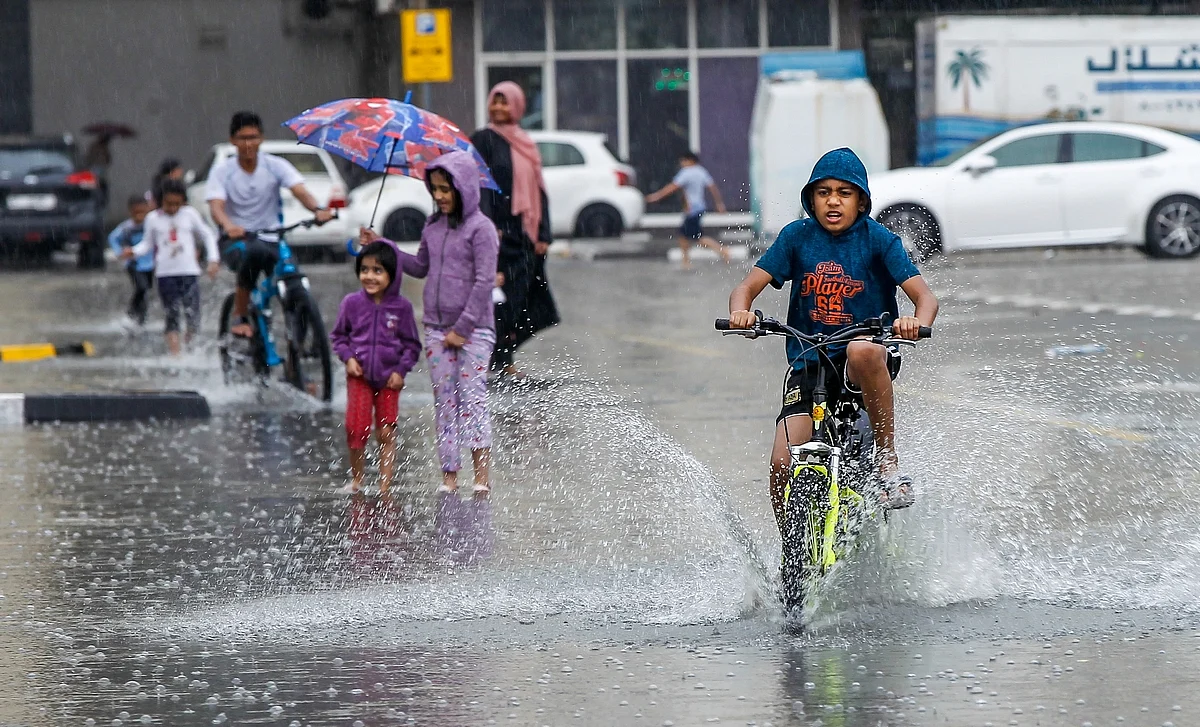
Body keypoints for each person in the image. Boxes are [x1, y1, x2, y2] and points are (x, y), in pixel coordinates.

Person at [725, 147, 939, 528]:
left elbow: (925, 298)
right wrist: (740, 312)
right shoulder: (796, 237)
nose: (833, 201)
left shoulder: (879, 240)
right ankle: (792, 554)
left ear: (861, 202)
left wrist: (913, 323)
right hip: (809, 362)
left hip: (864, 363)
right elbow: (746, 288)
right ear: (811, 199)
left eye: (844, 192)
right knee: (781, 464)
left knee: (861, 348)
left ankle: (886, 460)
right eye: (823, 193)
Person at [360, 150, 500, 497]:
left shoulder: (481, 229)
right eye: (434, 189)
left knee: (472, 399)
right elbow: (420, 266)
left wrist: (462, 329)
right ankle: (450, 474)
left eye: (446, 189)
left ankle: (481, 475)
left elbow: (484, 283)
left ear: (464, 189)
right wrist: (384, 246)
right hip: (437, 329)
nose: (439, 196)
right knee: (444, 402)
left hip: (474, 331)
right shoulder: (433, 226)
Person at [206, 111, 335, 338]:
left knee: (295, 281)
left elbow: (300, 192)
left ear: (262, 138)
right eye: (243, 138)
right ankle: (240, 315)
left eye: (254, 137)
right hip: (236, 240)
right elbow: (216, 207)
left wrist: (318, 210)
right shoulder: (222, 171)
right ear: (233, 141)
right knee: (254, 253)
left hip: (272, 238)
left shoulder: (275, 165)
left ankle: (301, 346)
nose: (249, 143)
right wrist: (228, 226)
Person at [471, 81, 559, 379]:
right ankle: (499, 360)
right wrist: (486, 225)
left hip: (525, 235)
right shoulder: (483, 140)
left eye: (504, 102)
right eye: (494, 101)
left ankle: (500, 353)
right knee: (501, 299)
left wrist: (543, 234)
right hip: (497, 233)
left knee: (533, 303)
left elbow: (539, 190)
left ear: (518, 106)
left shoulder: (525, 142)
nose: (498, 108)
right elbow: (478, 185)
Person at [329, 239, 422, 495]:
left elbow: (412, 345)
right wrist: (348, 358)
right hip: (358, 377)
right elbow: (338, 336)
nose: (370, 276)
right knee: (356, 428)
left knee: (386, 432)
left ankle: (384, 486)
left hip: (389, 379)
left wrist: (400, 371)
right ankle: (357, 480)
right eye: (365, 270)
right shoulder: (351, 303)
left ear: (392, 274)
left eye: (377, 271)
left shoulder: (401, 308)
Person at [122, 179, 221, 355]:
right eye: (169, 204)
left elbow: (207, 235)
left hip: (189, 272)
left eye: (177, 204)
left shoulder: (189, 214)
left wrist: (213, 260)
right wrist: (134, 252)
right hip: (166, 274)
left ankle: (191, 349)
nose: (173, 208)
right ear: (161, 201)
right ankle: (176, 354)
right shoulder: (153, 219)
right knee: (172, 315)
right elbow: (147, 244)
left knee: (193, 316)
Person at [645, 151, 730, 270]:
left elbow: (673, 187)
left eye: (683, 161)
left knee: (697, 238)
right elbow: (712, 187)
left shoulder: (686, 173)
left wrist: (656, 196)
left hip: (692, 210)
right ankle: (686, 261)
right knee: (683, 235)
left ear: (690, 160)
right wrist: (719, 203)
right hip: (698, 208)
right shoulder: (701, 171)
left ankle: (722, 250)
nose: (681, 163)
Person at [108, 194, 154, 328]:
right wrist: (119, 252)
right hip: (134, 264)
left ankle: (141, 318)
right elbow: (113, 238)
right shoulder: (127, 228)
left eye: (142, 212)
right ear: (130, 212)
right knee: (141, 287)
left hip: (150, 264)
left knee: (146, 291)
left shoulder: (150, 225)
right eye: (136, 213)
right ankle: (131, 313)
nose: (139, 216)